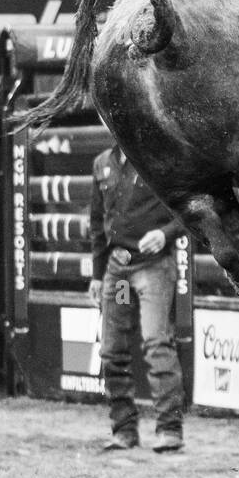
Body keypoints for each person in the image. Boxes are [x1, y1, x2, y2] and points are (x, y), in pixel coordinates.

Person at [90, 142, 188, 452]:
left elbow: (190, 210)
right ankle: (124, 429)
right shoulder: (102, 163)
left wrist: (166, 234)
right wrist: (96, 274)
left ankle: (169, 429)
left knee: (156, 343)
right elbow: (97, 223)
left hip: (153, 267)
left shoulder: (158, 157)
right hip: (118, 270)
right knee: (112, 349)